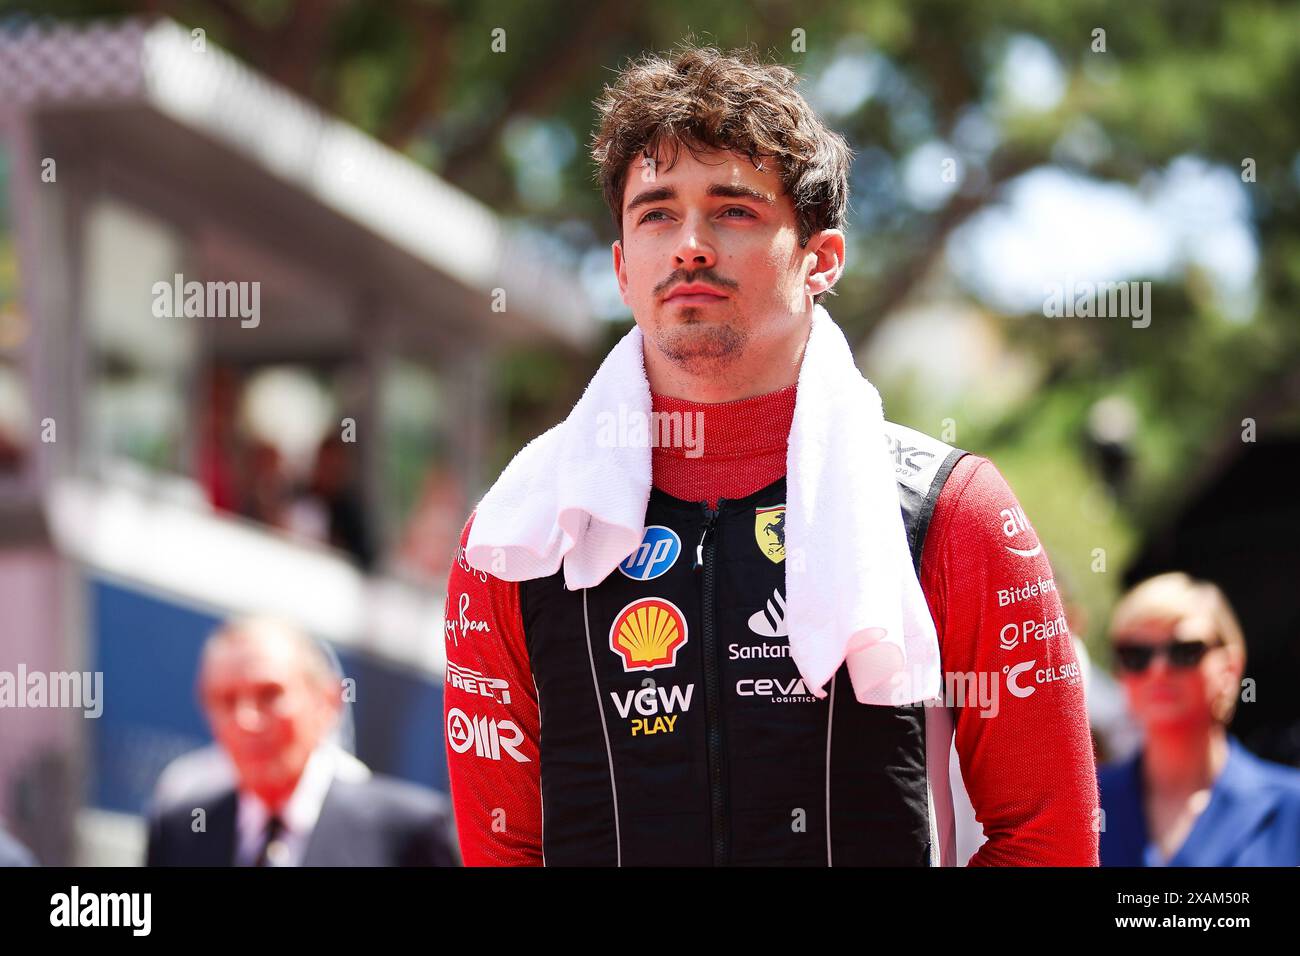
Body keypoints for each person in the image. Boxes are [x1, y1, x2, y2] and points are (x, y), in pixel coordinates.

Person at [442, 44, 1097, 866]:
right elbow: (503, 852)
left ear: (821, 259)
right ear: (620, 268)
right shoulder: (515, 533)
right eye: (655, 213)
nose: (689, 245)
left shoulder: (951, 508)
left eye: (734, 210)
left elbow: (1048, 841)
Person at [146, 616, 458, 866]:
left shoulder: (407, 832)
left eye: (269, 695)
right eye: (226, 700)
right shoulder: (180, 830)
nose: (246, 720)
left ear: (327, 701)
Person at [1098, 572, 1300, 866]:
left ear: (1230, 667)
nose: (1158, 670)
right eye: (1135, 655)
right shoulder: (1086, 805)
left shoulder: (1291, 807)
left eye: (1185, 651)